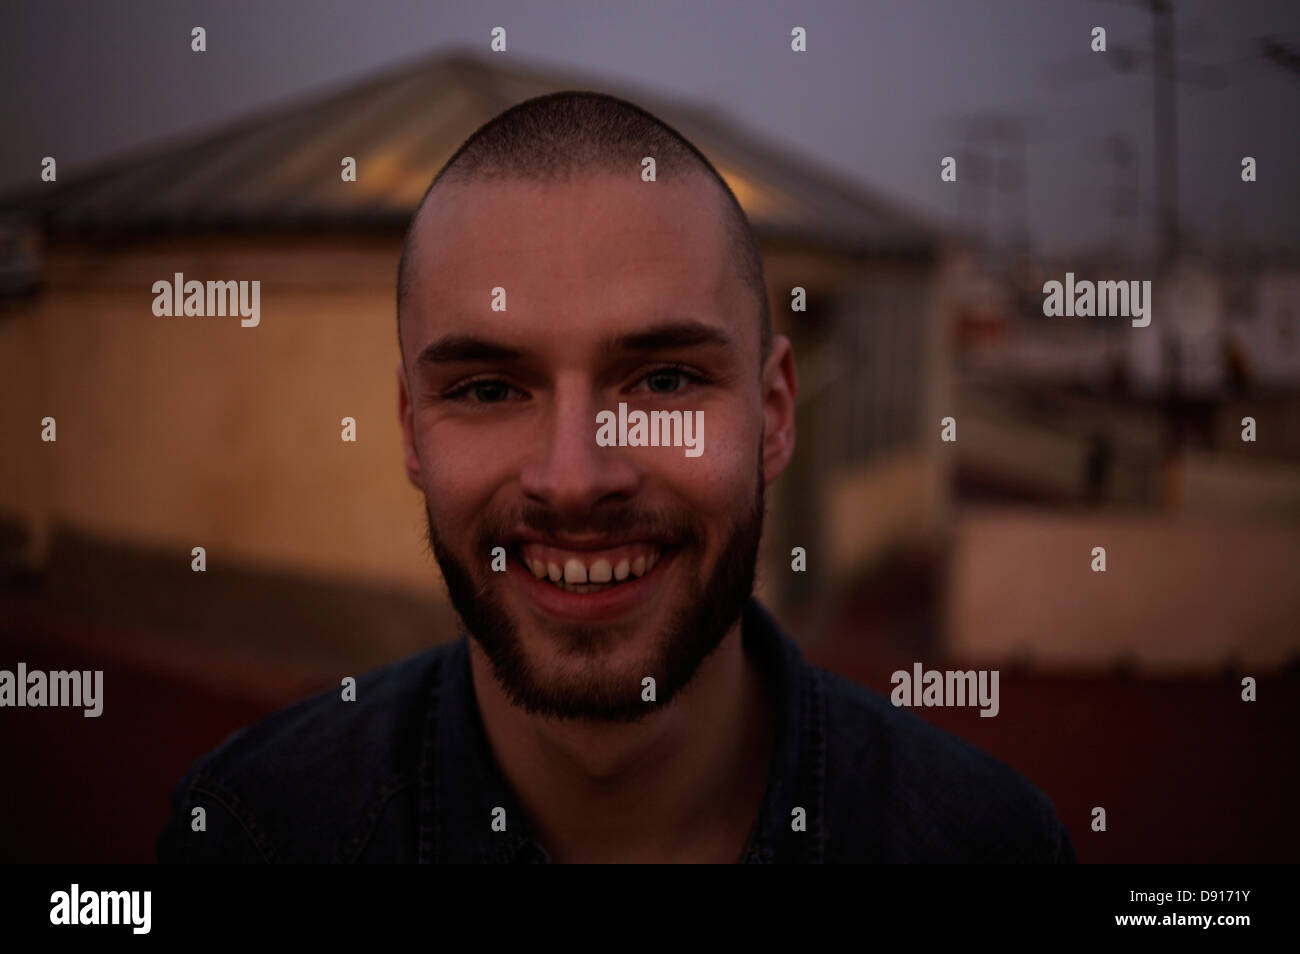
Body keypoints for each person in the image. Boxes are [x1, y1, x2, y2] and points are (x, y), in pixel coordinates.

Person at [157, 90, 1075, 863]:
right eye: (486, 388)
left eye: (666, 379)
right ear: (409, 430)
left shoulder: (988, 846)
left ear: (776, 416)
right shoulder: (251, 834)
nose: (573, 477)